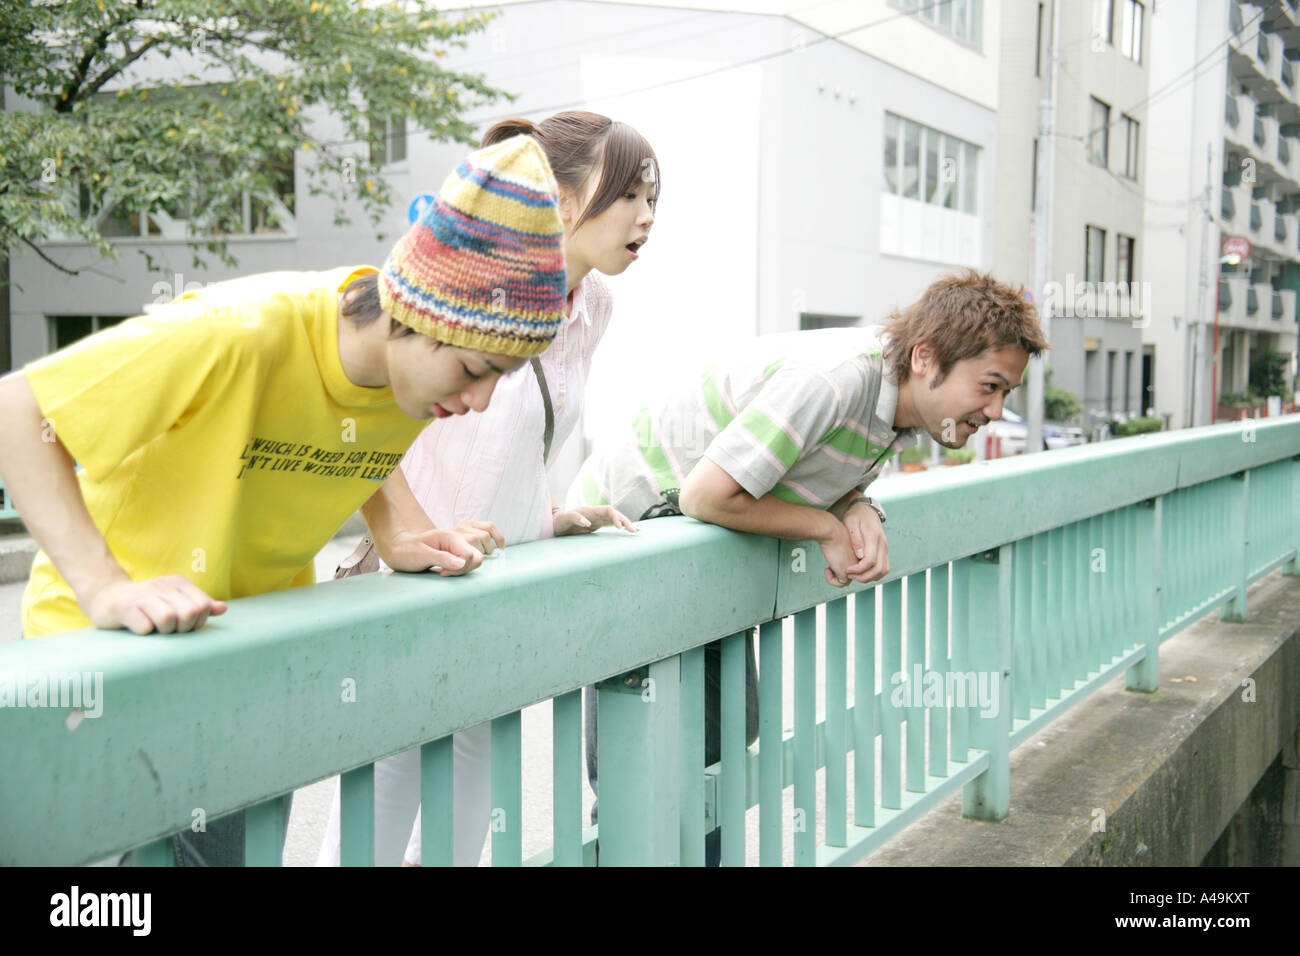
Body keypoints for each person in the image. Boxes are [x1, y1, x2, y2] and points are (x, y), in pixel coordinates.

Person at [0, 134, 569, 865]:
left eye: (504, 378)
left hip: (239, 669)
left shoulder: (413, 384)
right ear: (417, 316)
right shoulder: (240, 332)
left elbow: (348, 426)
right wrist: (105, 589)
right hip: (104, 673)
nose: (482, 400)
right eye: (474, 368)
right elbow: (19, 408)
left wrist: (398, 528)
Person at [568, 269, 1050, 864]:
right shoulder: (835, 380)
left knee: (715, 748)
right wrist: (826, 526)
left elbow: (808, 469)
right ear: (926, 357)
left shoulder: (897, 405)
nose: (997, 410)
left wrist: (858, 504)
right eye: (991, 386)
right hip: (629, 540)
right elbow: (707, 496)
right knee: (641, 767)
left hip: (692, 556)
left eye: (1007, 393)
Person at [316, 110, 658, 868]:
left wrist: (544, 514)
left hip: (499, 578)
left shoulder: (595, 306)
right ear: (561, 201)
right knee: (383, 791)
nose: (646, 216)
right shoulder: (464, 283)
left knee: (474, 801)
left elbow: (522, 438)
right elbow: (364, 417)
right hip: (421, 575)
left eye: (653, 200)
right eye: (631, 193)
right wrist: (402, 532)